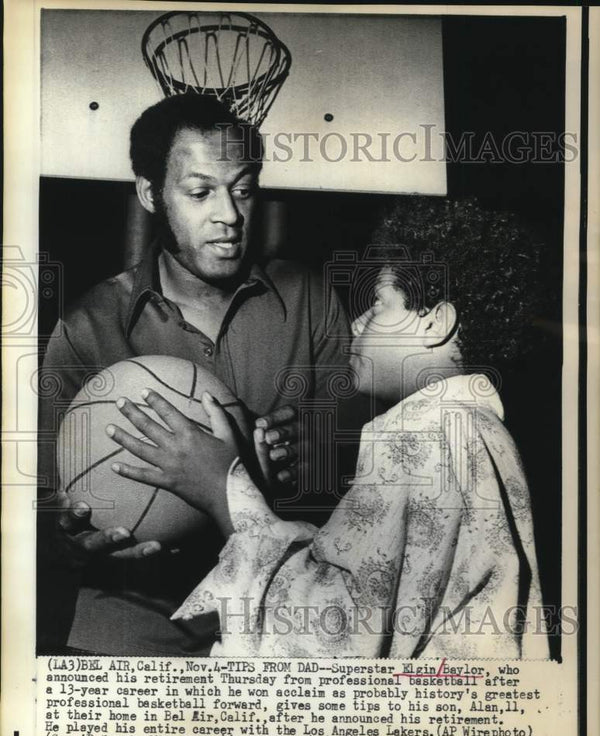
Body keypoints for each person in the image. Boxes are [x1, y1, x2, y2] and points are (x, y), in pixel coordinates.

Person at [107, 197, 550, 659]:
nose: (359, 321)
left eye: (379, 302)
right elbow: (371, 584)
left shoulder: (421, 435)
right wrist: (253, 491)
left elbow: (329, 636)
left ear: (436, 322)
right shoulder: (478, 431)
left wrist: (224, 490)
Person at [37, 93, 351, 656]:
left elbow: (362, 482)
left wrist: (321, 457)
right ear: (151, 194)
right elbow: (37, 511)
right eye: (201, 192)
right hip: (129, 620)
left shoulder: (314, 298)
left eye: (244, 190)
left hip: (279, 615)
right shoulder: (88, 326)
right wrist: (67, 540)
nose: (230, 216)